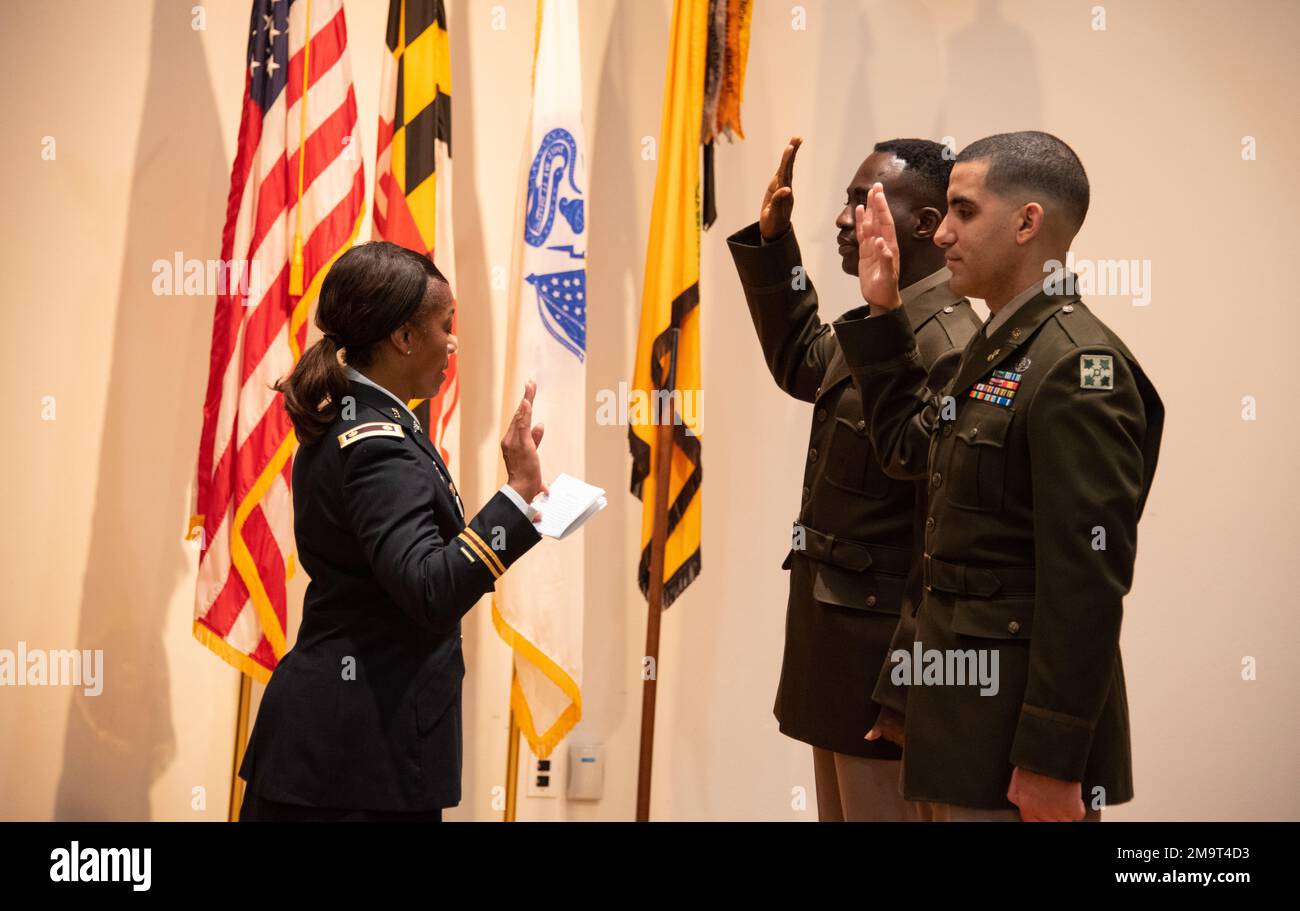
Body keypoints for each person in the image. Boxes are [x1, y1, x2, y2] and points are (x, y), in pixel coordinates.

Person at [834, 131, 1163, 821]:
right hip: (954, 727)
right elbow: (906, 453)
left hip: (1013, 749)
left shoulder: (1077, 368)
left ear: (1026, 222)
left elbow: (1085, 585)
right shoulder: (995, 348)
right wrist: (885, 312)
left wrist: (1052, 757)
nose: (943, 233)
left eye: (963, 211)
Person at [237, 241, 548, 821]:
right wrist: (516, 499)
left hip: (340, 753)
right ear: (403, 338)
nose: (452, 341)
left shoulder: (359, 419)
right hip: (355, 763)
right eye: (444, 324)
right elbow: (429, 590)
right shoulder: (379, 444)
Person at [726, 136, 979, 820]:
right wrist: (776, 245)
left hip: (882, 673)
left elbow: (944, 540)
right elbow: (805, 359)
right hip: (835, 654)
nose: (842, 219)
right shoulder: (884, 320)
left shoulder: (946, 343)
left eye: (860, 202)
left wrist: (905, 679)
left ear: (924, 225)